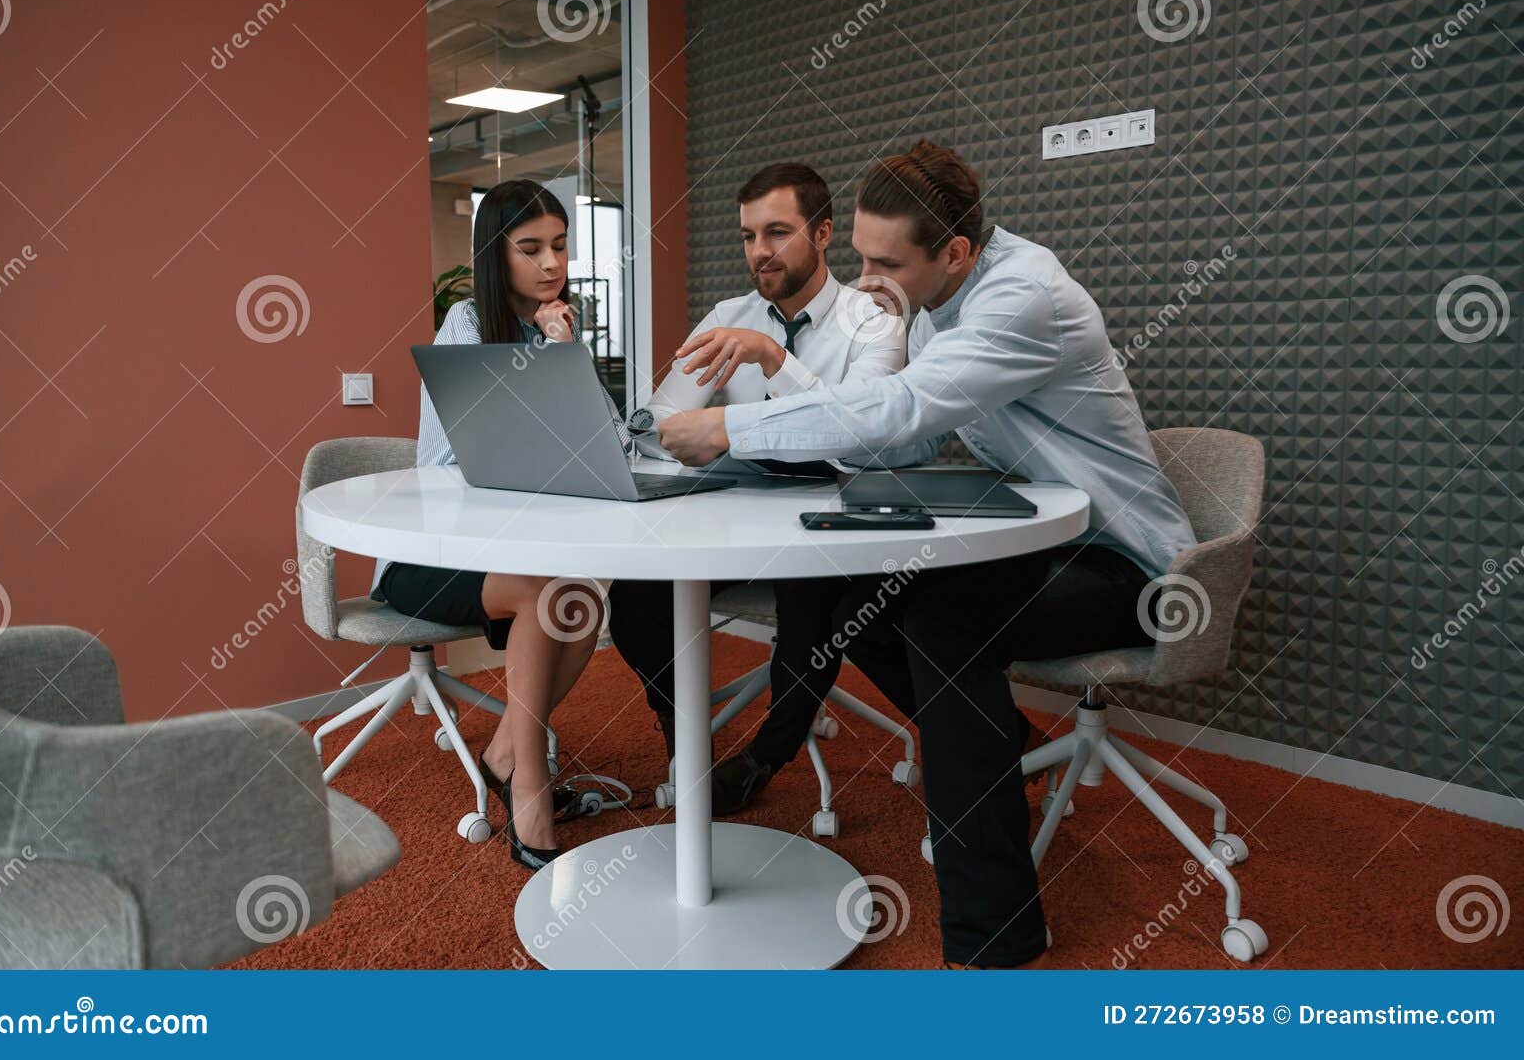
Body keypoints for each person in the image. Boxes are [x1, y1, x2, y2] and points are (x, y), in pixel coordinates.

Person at [657, 139, 1197, 967]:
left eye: (885, 262)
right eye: (862, 256)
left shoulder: (1022, 296)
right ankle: (994, 744)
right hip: (1044, 537)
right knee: (860, 592)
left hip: (1131, 565)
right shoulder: (940, 300)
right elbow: (895, 440)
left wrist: (733, 424)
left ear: (954, 251)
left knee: (945, 621)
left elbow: (899, 410)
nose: (867, 280)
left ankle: (994, 943)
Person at [608, 162, 905, 812]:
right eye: (747, 236)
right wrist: (652, 423)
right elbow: (663, 415)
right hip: (735, 515)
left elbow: (859, 435)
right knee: (634, 599)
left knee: (811, 602)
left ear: (823, 232)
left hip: (832, 512)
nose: (759, 252)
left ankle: (765, 756)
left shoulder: (874, 321)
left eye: (776, 232)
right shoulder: (728, 316)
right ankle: (684, 736)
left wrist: (774, 359)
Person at [369, 178, 623, 871]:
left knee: (581, 600)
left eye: (561, 247)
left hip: (515, 554)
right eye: (531, 248)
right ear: (496, 253)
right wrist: (540, 363)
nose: (551, 264)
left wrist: (567, 360)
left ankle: (506, 751)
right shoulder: (467, 325)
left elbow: (606, 443)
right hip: (431, 553)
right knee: (550, 595)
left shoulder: (557, 327)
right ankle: (531, 782)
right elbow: (462, 458)